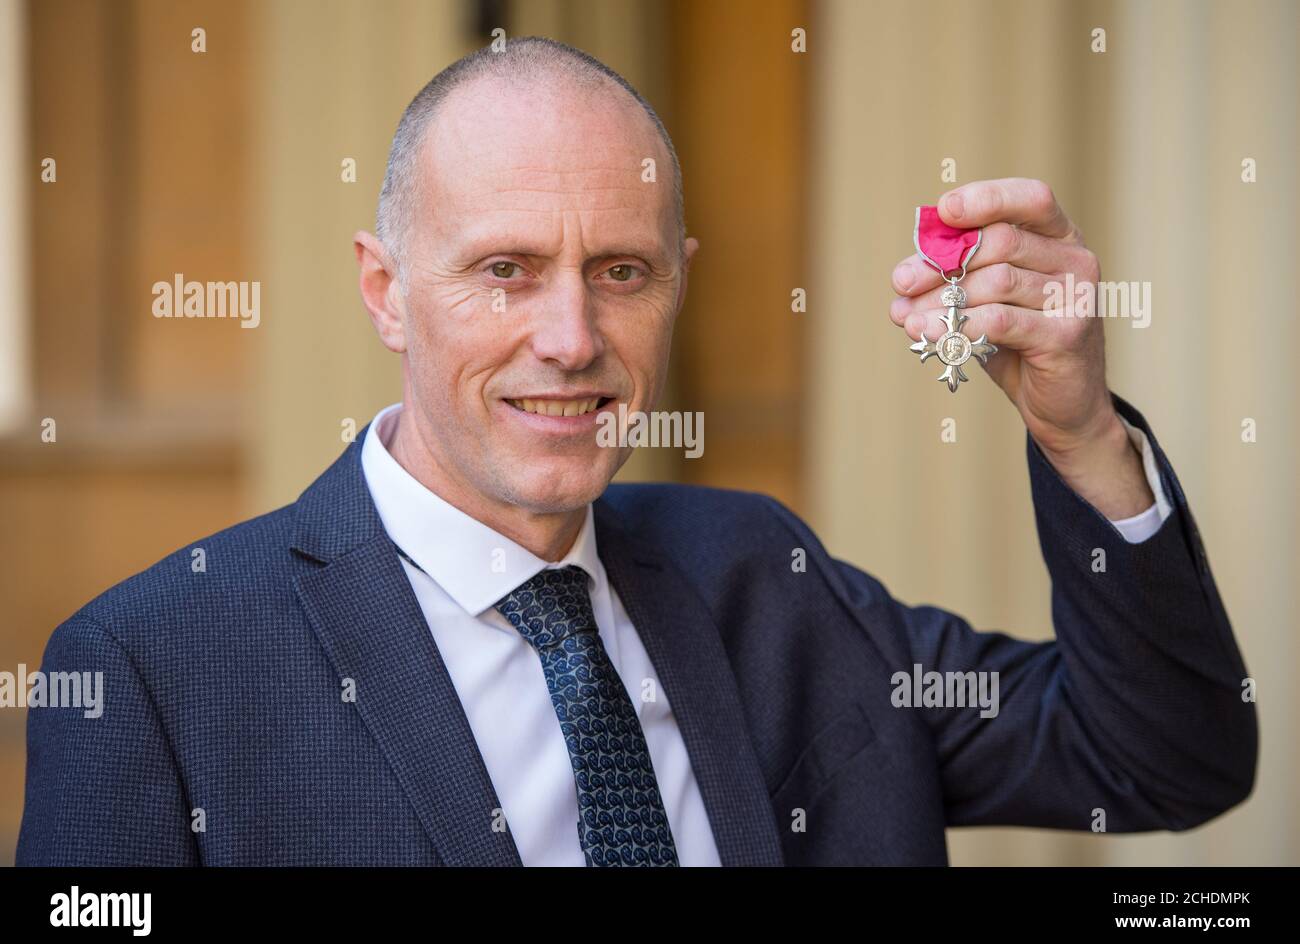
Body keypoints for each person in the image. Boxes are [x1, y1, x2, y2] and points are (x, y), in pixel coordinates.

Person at [17, 37, 1255, 867]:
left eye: (622, 273)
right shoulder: (156, 666)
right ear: (386, 291)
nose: (571, 338)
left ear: (677, 286)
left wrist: (1077, 428)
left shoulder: (765, 574)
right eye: (505, 271)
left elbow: (1163, 758)